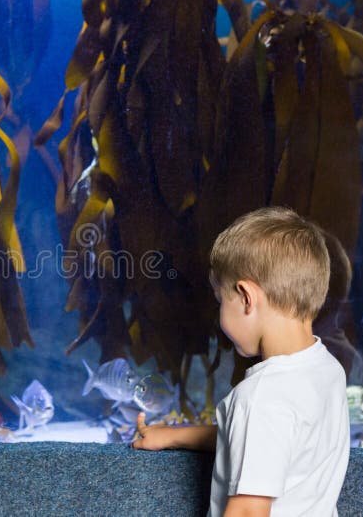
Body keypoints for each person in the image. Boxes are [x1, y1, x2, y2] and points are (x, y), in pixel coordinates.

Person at [132, 207, 350, 516]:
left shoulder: (260, 398)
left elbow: (248, 510)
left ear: (247, 297)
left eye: (221, 301)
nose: (219, 313)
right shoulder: (327, 370)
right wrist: (172, 436)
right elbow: (259, 441)